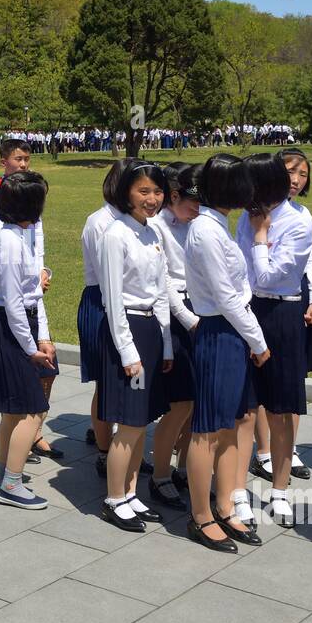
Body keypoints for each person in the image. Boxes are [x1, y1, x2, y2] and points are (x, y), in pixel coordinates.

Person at [183, 154, 268, 551]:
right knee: (207, 430)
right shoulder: (205, 230)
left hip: (233, 330)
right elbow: (226, 297)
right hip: (221, 331)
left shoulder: (219, 224)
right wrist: (259, 340)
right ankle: (201, 516)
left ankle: (225, 506)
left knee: (234, 421)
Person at [95, 162, 174, 533]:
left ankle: (130, 493)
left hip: (151, 331)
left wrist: (167, 345)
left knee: (143, 421)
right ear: (127, 192)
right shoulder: (115, 234)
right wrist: (129, 353)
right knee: (127, 423)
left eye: (157, 192)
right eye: (144, 191)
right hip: (127, 331)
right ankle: (114, 498)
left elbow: (160, 291)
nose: (152, 199)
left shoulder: (152, 231)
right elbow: (112, 299)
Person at [235, 154, 312, 528]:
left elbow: (266, 277)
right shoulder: (244, 218)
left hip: (282, 316)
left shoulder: (297, 224)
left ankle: (279, 491)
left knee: (281, 412)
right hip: (247, 312)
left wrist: (261, 237)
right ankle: (236, 491)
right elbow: (239, 272)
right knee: (246, 409)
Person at [0, 171, 54, 509]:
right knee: (31, 411)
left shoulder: (9, 235)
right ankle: (11, 484)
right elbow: (13, 303)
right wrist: (31, 348)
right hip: (13, 329)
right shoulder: (10, 241)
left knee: (12, 412)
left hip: (11, 325)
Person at [147, 162, 201, 510]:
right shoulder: (157, 227)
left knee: (196, 403)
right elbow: (162, 280)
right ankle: (160, 474)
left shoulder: (197, 224)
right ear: (175, 195)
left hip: (200, 311)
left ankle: (185, 467)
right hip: (175, 315)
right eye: (193, 200)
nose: (198, 208)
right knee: (179, 402)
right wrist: (186, 318)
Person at [82, 160, 132, 473]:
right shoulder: (101, 222)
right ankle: (104, 451)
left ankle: (118, 443)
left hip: (123, 305)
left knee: (121, 382)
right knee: (106, 383)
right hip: (103, 304)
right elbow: (111, 278)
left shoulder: (129, 221)